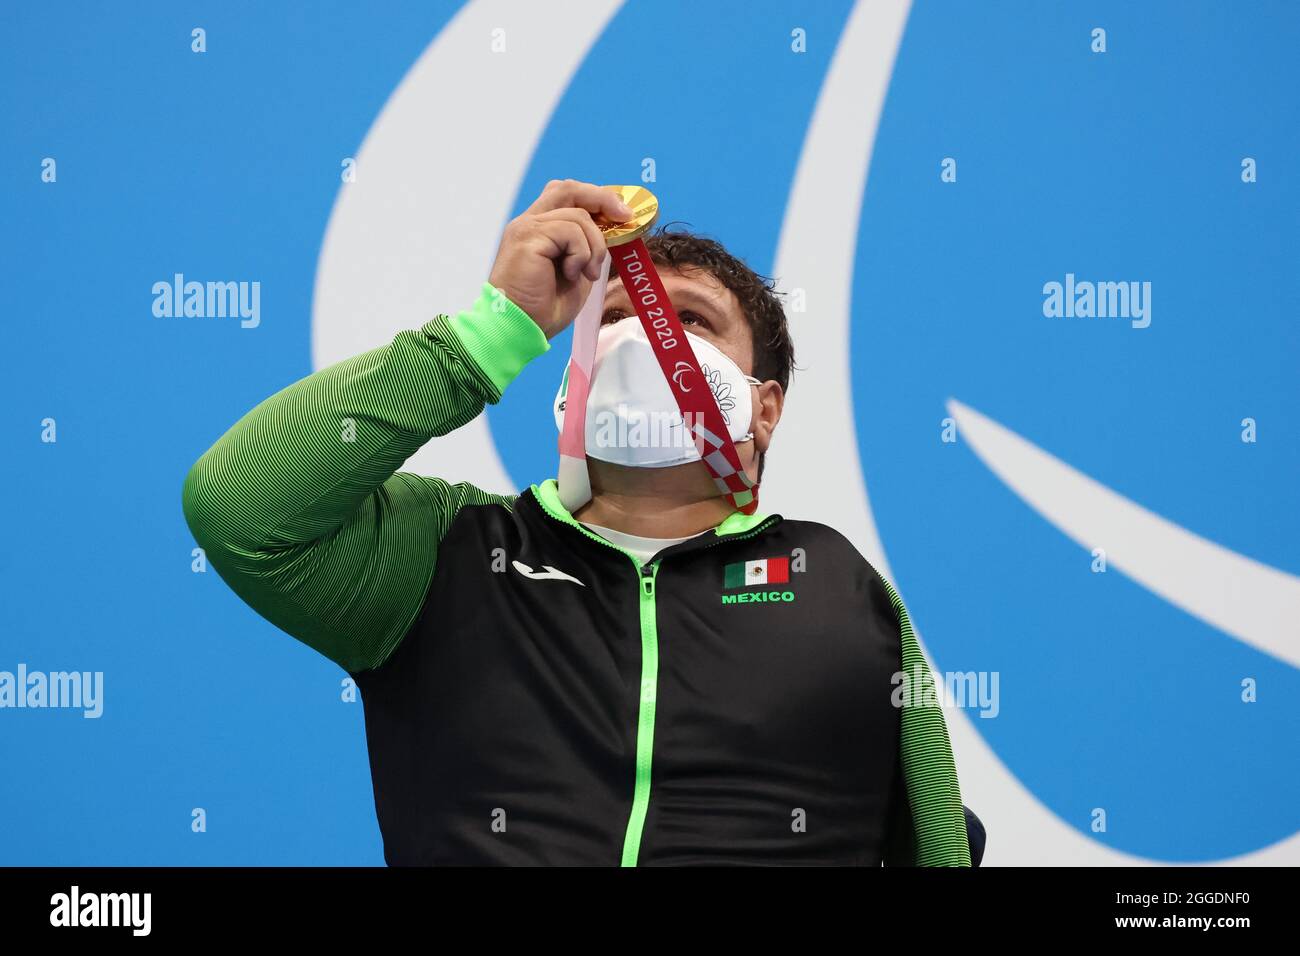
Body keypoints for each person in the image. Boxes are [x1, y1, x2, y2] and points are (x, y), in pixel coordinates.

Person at [182, 178, 971, 866]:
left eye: (690, 319)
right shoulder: (450, 553)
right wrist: (490, 332)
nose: (644, 337)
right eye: (616, 317)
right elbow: (241, 506)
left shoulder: (838, 588)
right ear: (574, 375)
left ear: (764, 409)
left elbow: (937, 845)